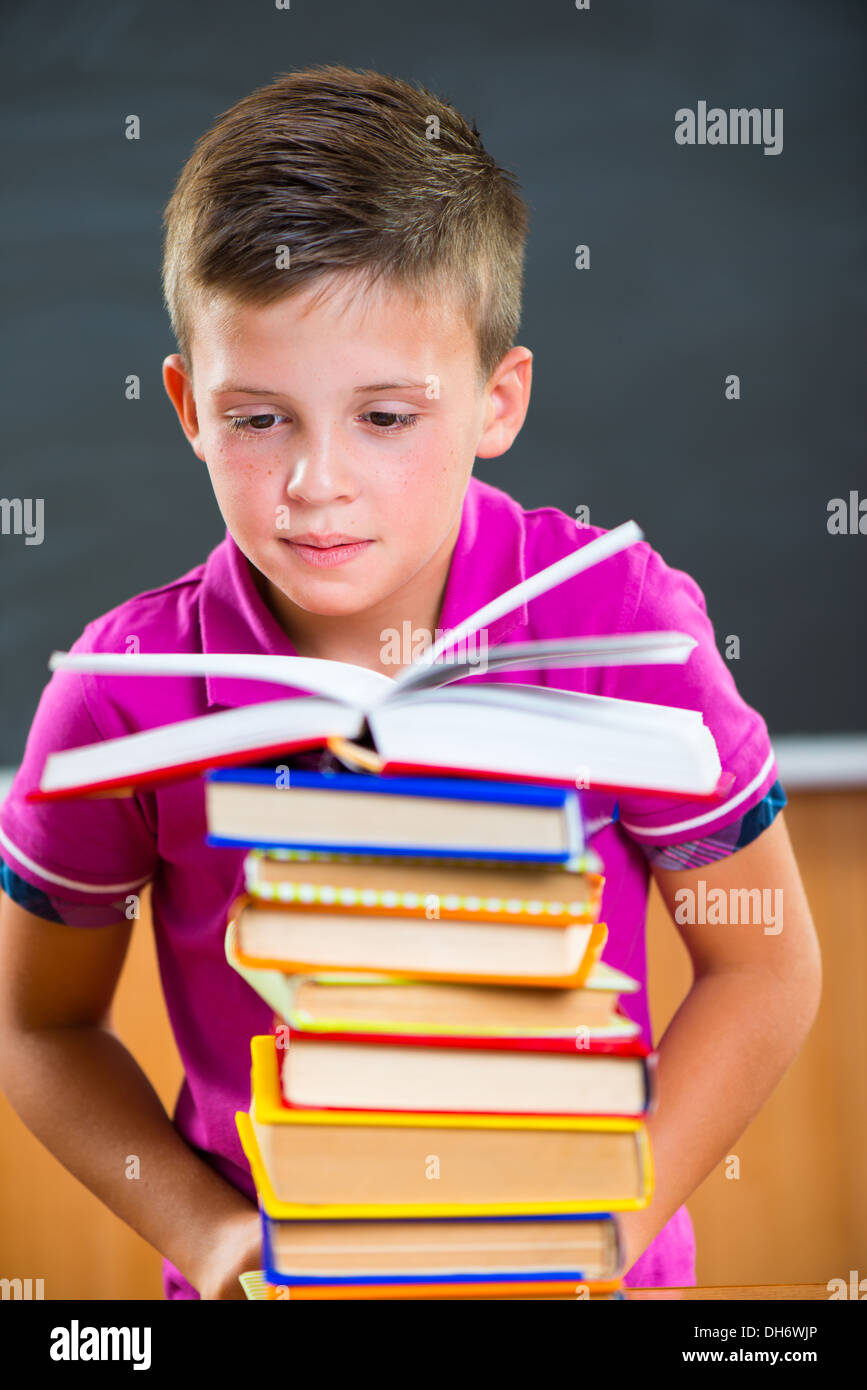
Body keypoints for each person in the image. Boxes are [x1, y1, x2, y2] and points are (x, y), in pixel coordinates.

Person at [0, 64, 821, 1300]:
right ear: (184, 406)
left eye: (385, 416)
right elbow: (41, 1024)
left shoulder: (622, 624)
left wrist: (606, 1227)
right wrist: (209, 1236)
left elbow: (766, 964)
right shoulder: (123, 697)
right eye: (258, 418)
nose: (317, 483)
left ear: (499, 400)